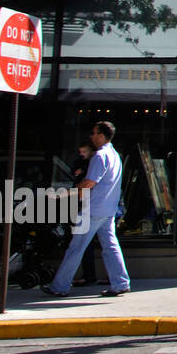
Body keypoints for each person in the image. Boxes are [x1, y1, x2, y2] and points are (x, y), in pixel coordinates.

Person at [42, 122, 131, 298]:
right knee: (110, 245)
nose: (91, 136)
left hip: (94, 208)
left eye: (94, 133)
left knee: (76, 247)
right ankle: (121, 283)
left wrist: (63, 194)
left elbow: (90, 182)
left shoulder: (100, 156)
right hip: (108, 209)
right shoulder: (115, 155)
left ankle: (59, 286)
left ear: (101, 136)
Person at [69, 141, 100, 286]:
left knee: (82, 243)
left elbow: (86, 184)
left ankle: (88, 276)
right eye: (80, 152)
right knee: (105, 244)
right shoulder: (84, 163)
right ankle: (90, 275)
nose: (82, 155)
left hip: (91, 206)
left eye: (84, 152)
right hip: (91, 205)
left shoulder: (94, 163)